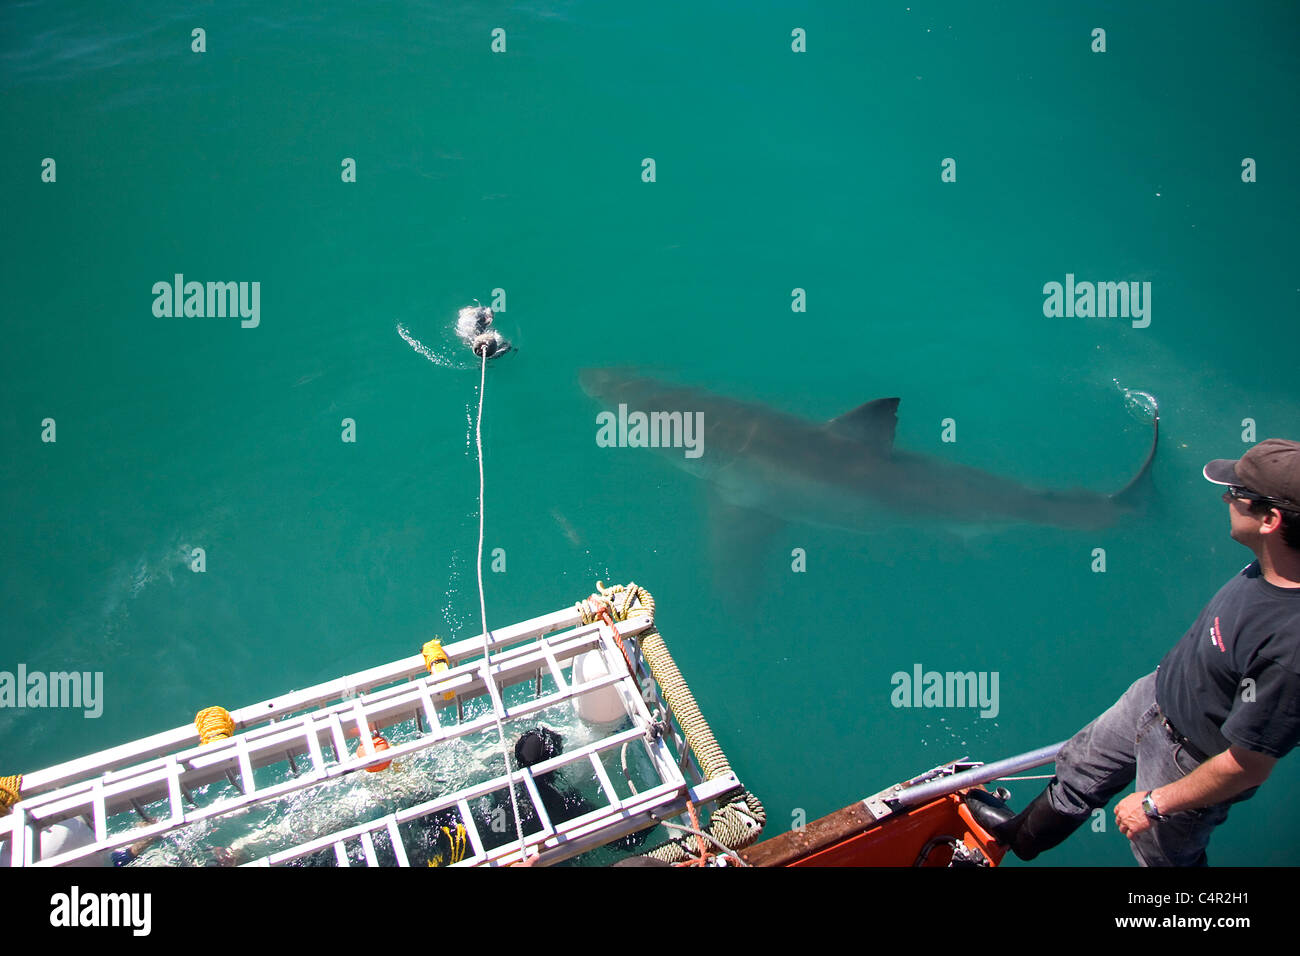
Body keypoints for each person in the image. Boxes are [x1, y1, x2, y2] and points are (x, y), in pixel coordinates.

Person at [989, 438, 1300, 865]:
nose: (1225, 497)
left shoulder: (1290, 650)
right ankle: (1016, 839)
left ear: (1270, 519)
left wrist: (1156, 803)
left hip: (1190, 761)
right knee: (1078, 769)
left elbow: (1248, 765)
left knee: (1165, 857)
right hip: (1155, 696)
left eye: (1237, 494)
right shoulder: (1274, 562)